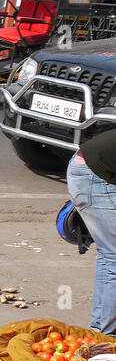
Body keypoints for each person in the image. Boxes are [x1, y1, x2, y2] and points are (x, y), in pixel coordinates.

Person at [68, 129, 116, 334]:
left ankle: (98, 330)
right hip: (94, 178)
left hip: (88, 170)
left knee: (109, 256)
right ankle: (108, 337)